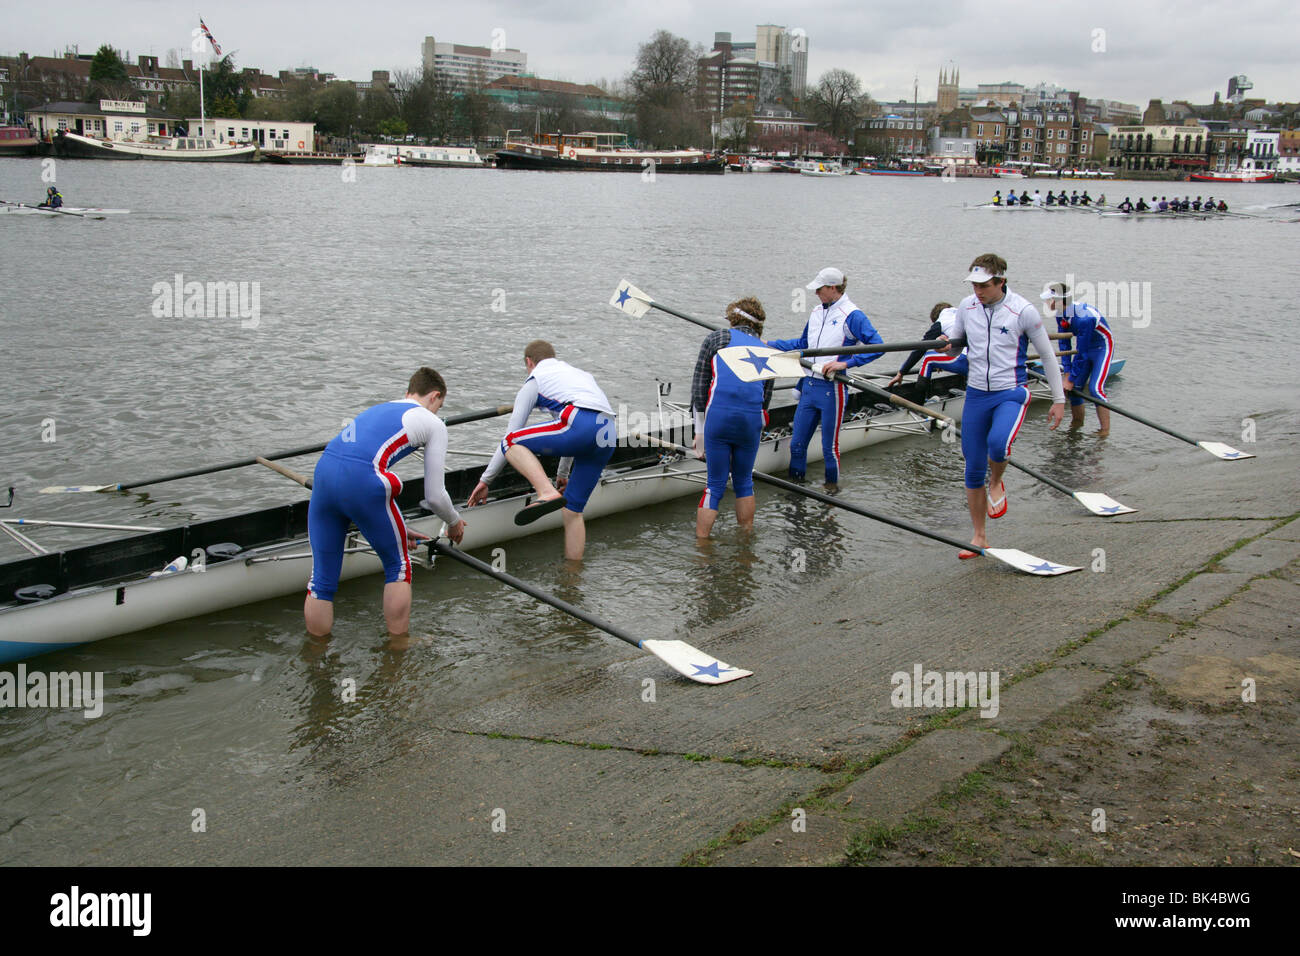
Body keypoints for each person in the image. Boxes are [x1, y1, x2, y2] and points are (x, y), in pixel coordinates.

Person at [304, 367, 466, 637]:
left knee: (321, 581)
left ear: (408, 393)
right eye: (440, 405)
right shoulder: (432, 422)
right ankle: (398, 650)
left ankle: (317, 657)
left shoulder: (379, 409)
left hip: (323, 475)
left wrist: (396, 528)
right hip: (363, 482)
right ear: (435, 397)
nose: (437, 412)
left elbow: (351, 476)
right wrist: (454, 521)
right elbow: (435, 497)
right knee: (398, 567)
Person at [936, 254, 1064, 557]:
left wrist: (1059, 399)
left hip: (1011, 392)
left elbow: (1047, 356)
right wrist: (947, 343)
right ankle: (979, 536)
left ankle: (997, 482)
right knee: (972, 466)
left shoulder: (1023, 311)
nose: (978, 291)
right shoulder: (967, 307)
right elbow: (958, 341)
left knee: (998, 445)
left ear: (1000, 282)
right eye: (974, 285)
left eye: (984, 285)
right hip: (977, 394)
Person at [467, 340, 615, 561]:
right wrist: (563, 474)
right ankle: (572, 577)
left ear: (529, 362)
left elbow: (510, 437)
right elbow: (569, 431)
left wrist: (486, 480)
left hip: (581, 421)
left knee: (511, 442)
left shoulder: (535, 379)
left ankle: (546, 492)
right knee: (572, 511)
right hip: (608, 431)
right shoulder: (578, 375)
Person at [766, 267, 883, 490]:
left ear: (833, 288)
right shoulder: (816, 312)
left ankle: (831, 497)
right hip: (809, 387)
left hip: (833, 389)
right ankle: (796, 495)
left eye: (819, 289)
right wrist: (770, 344)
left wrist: (846, 363)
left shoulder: (852, 315)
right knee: (797, 445)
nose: (816, 293)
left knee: (829, 448)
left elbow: (878, 346)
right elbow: (803, 346)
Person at [691, 297, 774, 538]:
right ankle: (746, 539)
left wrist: (699, 432)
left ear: (733, 319)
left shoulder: (717, 339)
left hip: (719, 417)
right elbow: (765, 400)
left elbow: (699, 387)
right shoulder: (768, 352)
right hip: (751, 422)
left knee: (715, 486)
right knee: (744, 482)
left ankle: (703, 546)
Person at [1040, 282, 1114, 435]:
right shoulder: (1061, 313)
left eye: (1049, 300)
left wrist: (1071, 378)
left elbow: (1082, 352)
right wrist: (1067, 373)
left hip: (1102, 348)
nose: (1047, 303)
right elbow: (1064, 344)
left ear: (1060, 301)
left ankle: (1104, 432)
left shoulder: (1084, 319)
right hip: (1085, 349)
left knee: (1095, 390)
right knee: (1074, 390)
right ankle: (1076, 426)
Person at [887, 302, 966, 387]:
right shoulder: (961, 313)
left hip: (966, 361)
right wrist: (941, 362)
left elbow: (921, 348)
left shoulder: (941, 322)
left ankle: (919, 398)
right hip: (979, 361)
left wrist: (901, 372)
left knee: (928, 359)